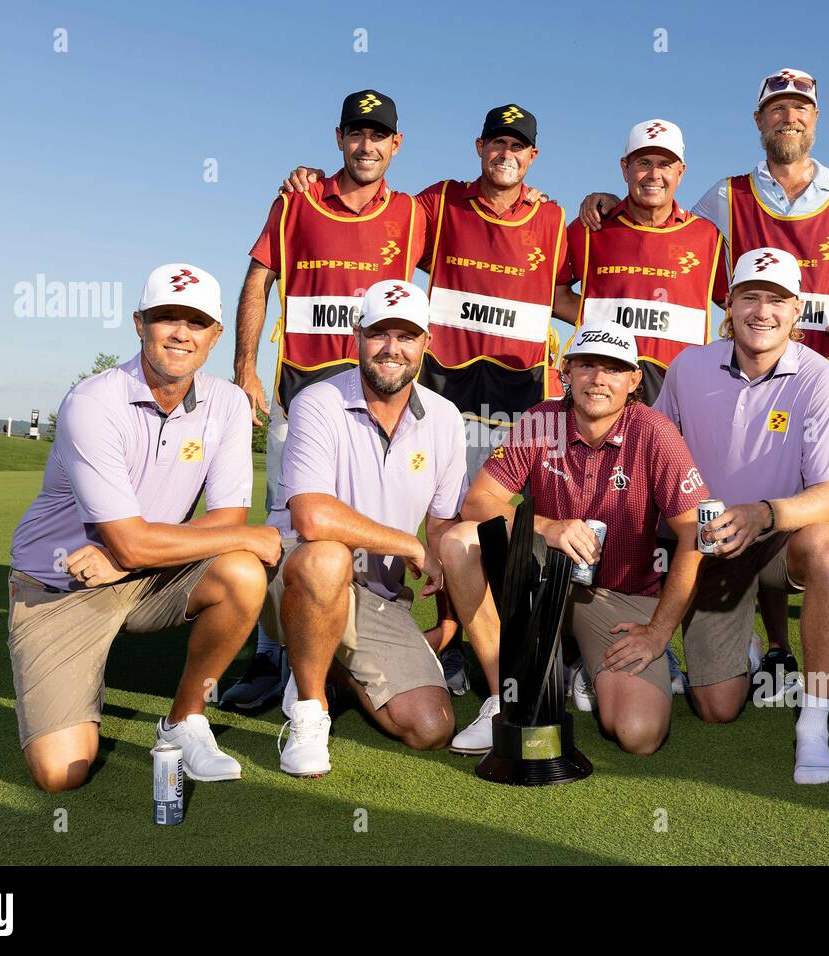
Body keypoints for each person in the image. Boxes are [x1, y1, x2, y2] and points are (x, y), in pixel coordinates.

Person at [582, 71, 829, 717]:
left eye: (798, 110)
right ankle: (774, 647)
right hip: (744, 380)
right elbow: (671, 231)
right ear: (759, 121)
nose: (787, 120)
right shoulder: (728, 194)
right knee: (743, 495)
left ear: (815, 119)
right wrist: (609, 200)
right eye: (776, 111)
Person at [277, 104, 570, 696]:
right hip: (449, 388)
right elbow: (372, 218)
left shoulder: (557, 218)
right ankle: (449, 642)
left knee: (505, 525)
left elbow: (570, 291)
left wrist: (602, 206)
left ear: (532, 156)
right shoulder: (437, 202)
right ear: (479, 146)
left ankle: (543, 648)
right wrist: (317, 180)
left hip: (521, 392)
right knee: (457, 521)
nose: (505, 155)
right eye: (496, 143)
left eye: (518, 147)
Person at [8, 264, 280, 793]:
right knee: (61, 774)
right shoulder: (93, 401)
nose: (181, 333)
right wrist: (132, 548)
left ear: (216, 336)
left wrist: (126, 554)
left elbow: (223, 518)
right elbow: (157, 537)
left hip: (147, 570)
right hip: (60, 586)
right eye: (165, 318)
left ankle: (183, 721)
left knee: (241, 574)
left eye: (196, 322)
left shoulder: (227, 403)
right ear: (140, 325)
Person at [223, 89, 427, 712]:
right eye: (356, 134)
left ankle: (350, 648)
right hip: (301, 394)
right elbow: (261, 276)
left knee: (367, 522)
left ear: (396, 144)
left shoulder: (418, 214)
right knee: (283, 527)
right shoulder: (298, 198)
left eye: (379, 136)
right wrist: (244, 369)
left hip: (380, 402)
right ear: (340, 138)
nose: (367, 146)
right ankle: (269, 654)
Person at [441, 322, 707, 755]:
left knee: (638, 732)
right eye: (586, 365)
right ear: (566, 370)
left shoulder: (655, 432)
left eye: (614, 369)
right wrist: (546, 526)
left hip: (617, 597)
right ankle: (504, 697)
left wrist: (658, 632)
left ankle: (578, 661)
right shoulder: (541, 419)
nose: (598, 379)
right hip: (547, 577)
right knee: (461, 541)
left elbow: (694, 532)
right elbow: (478, 503)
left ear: (634, 379)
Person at [654, 248, 829, 784]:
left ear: (797, 312)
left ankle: (813, 722)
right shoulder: (688, 367)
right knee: (716, 707)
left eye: (777, 301)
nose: (762, 312)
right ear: (729, 303)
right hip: (705, 544)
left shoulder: (819, 378)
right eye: (750, 297)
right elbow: (654, 459)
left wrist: (763, 514)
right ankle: (742, 648)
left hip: (774, 541)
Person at [267, 279, 468, 777]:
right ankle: (309, 708)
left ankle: (326, 662)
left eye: (407, 336)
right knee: (326, 556)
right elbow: (311, 517)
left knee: (431, 726)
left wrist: (448, 620)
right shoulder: (317, 401)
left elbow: (442, 528)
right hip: (298, 576)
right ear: (356, 336)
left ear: (427, 344)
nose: (392, 348)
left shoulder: (444, 418)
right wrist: (408, 545)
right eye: (380, 333)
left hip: (378, 594)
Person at [555, 119, 727, 406]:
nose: (654, 174)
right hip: (603, 393)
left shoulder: (706, 236)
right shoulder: (591, 226)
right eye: (644, 162)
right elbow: (554, 297)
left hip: (678, 399)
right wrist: (601, 325)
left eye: (665, 164)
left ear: (681, 172)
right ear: (625, 168)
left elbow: (735, 308)